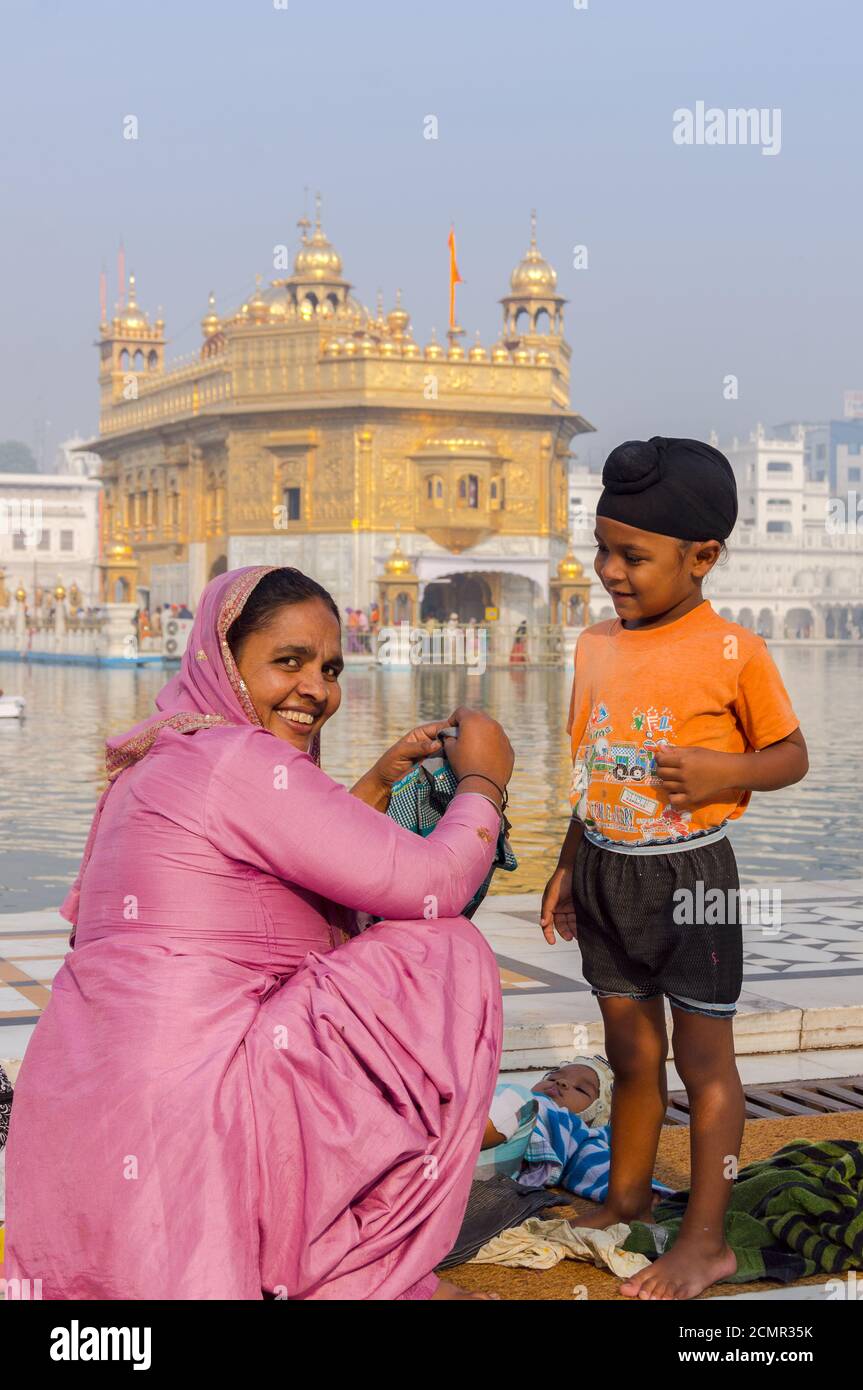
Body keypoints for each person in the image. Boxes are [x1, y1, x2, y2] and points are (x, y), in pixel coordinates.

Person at [5, 565, 514, 1301]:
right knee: (440, 952)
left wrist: (371, 785)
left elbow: (273, 890)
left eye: (330, 668)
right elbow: (433, 889)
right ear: (224, 661)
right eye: (288, 662)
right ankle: (345, 1265)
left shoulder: (163, 758)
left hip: (96, 1140)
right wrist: (484, 785)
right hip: (199, 1115)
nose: (316, 688)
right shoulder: (237, 758)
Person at [540, 436, 808, 1301]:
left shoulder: (733, 651)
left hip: (689, 879)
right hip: (606, 873)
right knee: (630, 1054)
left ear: (702, 557)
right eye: (603, 549)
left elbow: (789, 753)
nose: (610, 570)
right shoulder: (591, 647)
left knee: (703, 1063)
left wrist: (725, 772)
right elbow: (592, 769)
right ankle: (624, 1194)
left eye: (633, 556)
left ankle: (704, 1241)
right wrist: (566, 863)